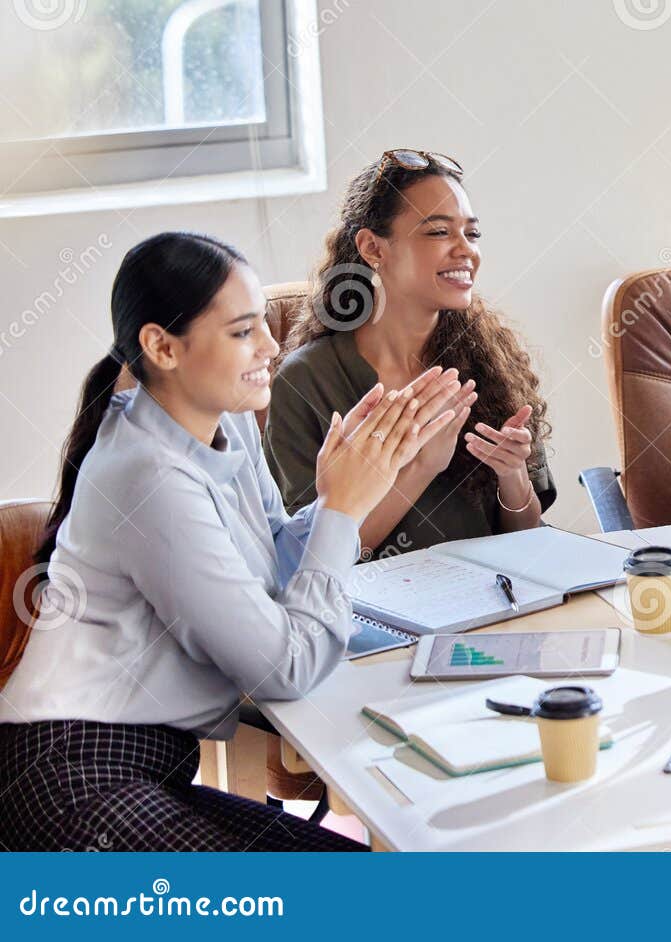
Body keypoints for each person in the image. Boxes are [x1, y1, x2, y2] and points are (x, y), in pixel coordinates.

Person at [0, 232, 460, 850]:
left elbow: (267, 561)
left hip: (145, 771)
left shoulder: (227, 417)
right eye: (243, 331)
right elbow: (283, 669)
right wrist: (342, 513)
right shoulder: (147, 477)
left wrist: (347, 494)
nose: (272, 346)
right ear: (161, 347)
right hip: (73, 785)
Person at [270, 150, 554, 557]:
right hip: (370, 617)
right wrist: (421, 466)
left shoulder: (492, 360)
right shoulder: (307, 382)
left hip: (496, 602)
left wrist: (512, 476)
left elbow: (529, 543)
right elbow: (314, 559)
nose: (465, 251)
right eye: (439, 233)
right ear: (373, 248)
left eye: (471, 234)